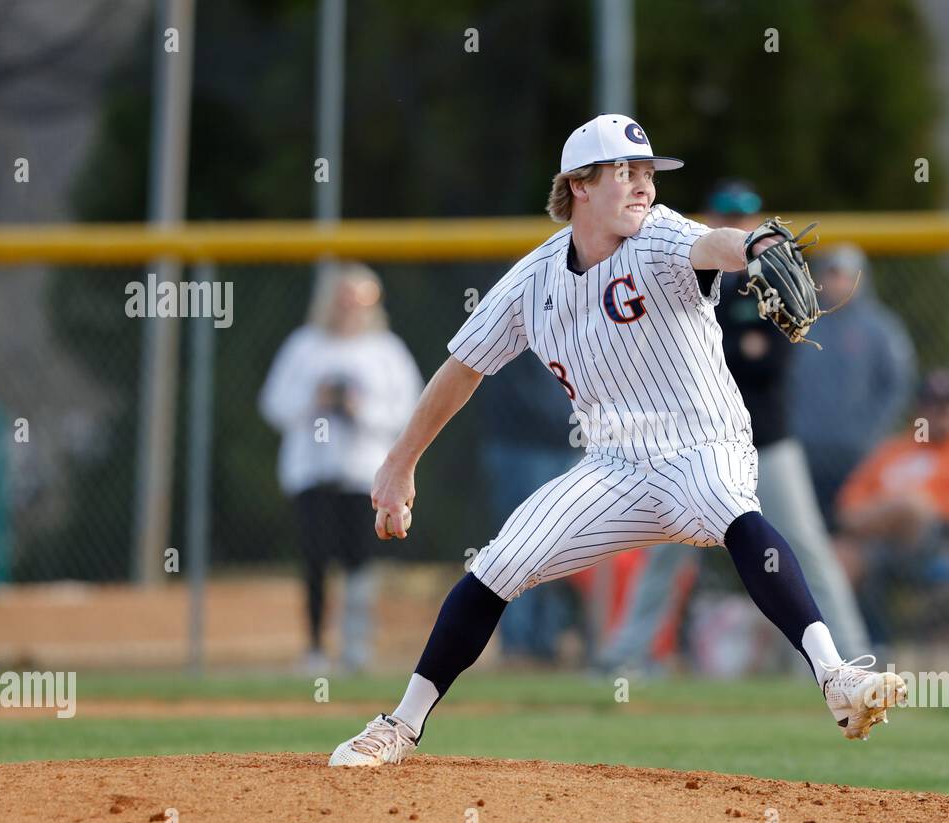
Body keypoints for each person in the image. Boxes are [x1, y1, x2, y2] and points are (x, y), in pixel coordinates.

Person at [328, 114, 906, 766]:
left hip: (702, 444)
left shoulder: (658, 236)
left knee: (731, 507)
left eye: (647, 173)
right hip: (611, 467)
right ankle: (400, 726)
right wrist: (400, 464)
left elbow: (713, 244)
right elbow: (461, 370)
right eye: (624, 173)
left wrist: (755, 248)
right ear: (578, 183)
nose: (642, 187)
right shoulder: (532, 281)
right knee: (497, 564)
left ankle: (836, 677)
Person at [596, 180, 870, 674]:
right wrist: (740, 346)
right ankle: (623, 661)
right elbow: (682, 357)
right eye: (727, 213)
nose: (738, 222)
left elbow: (772, 362)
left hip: (767, 441)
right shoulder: (684, 266)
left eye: (746, 214)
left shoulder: (771, 270)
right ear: (707, 215)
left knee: (806, 545)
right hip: (696, 444)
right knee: (666, 553)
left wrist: (730, 350)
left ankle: (850, 653)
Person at [259, 263, 422, 673]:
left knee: (360, 557)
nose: (350, 308)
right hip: (312, 472)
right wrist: (314, 399)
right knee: (315, 557)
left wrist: (359, 409)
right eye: (343, 299)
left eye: (359, 300)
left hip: (364, 473)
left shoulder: (386, 350)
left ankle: (355, 647)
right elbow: (274, 404)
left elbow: (410, 411)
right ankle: (314, 649)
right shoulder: (305, 346)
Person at [834, 369, 949, 651]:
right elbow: (849, 503)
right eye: (932, 403)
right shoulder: (896, 449)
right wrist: (894, 512)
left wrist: (922, 507)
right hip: (877, 545)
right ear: (919, 409)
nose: (941, 411)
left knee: (914, 506)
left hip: (940, 544)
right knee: (835, 559)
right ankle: (843, 652)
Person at [788, 244, 916, 531]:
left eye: (847, 275)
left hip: (857, 453)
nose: (839, 283)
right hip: (804, 449)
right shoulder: (797, 323)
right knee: (803, 529)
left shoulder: (881, 328)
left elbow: (897, 385)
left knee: (851, 530)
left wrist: (871, 432)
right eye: (832, 274)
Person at [478, 350, 584, 662]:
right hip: (524, 445)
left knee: (556, 547)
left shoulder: (579, 311)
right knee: (519, 545)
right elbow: (523, 390)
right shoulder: (523, 304)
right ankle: (518, 645)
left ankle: (545, 641)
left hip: (566, 444)